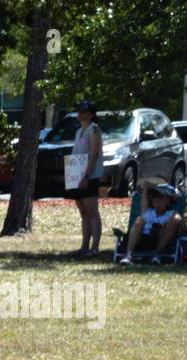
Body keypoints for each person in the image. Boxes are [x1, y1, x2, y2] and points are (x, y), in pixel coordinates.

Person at [66, 99, 103, 256]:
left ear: (92, 114)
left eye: (85, 111)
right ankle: (84, 246)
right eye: (80, 111)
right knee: (83, 212)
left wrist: (87, 176)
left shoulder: (94, 129)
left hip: (89, 176)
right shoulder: (79, 130)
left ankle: (95, 247)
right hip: (77, 176)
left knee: (92, 211)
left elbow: (94, 154)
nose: (81, 114)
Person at [118, 182, 184, 265]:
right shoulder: (148, 212)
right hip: (142, 240)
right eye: (154, 196)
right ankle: (128, 256)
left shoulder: (171, 215)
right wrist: (146, 189)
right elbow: (145, 197)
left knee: (175, 220)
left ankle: (157, 253)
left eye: (160, 196)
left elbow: (180, 223)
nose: (156, 199)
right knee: (140, 220)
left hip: (160, 241)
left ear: (168, 201)